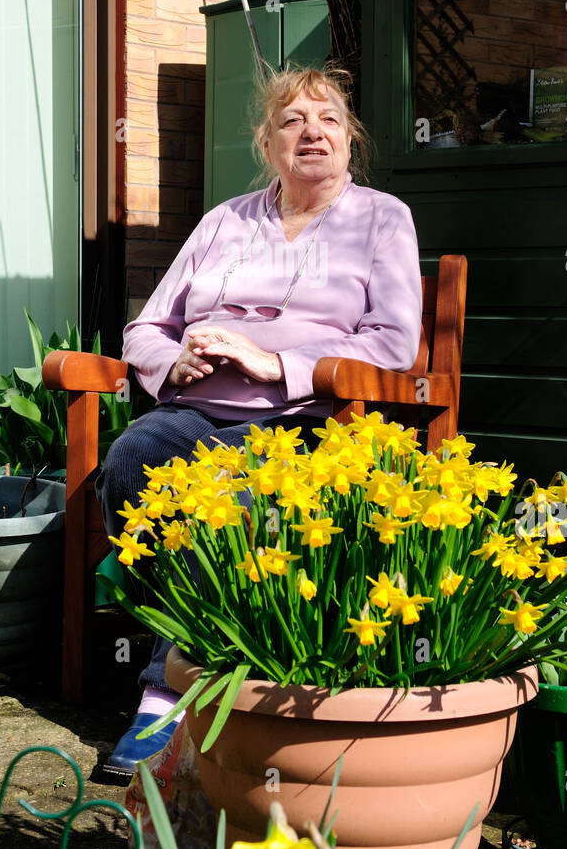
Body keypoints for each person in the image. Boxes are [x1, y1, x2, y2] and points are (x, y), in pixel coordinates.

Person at [95, 62, 422, 778]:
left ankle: (163, 691)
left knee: (212, 491)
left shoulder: (380, 219)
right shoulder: (223, 222)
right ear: (266, 144)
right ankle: (195, 655)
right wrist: (169, 362)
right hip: (194, 410)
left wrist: (278, 363)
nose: (312, 132)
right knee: (128, 462)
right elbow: (146, 326)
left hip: (306, 421)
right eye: (292, 120)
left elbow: (395, 343)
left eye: (329, 118)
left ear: (349, 139)